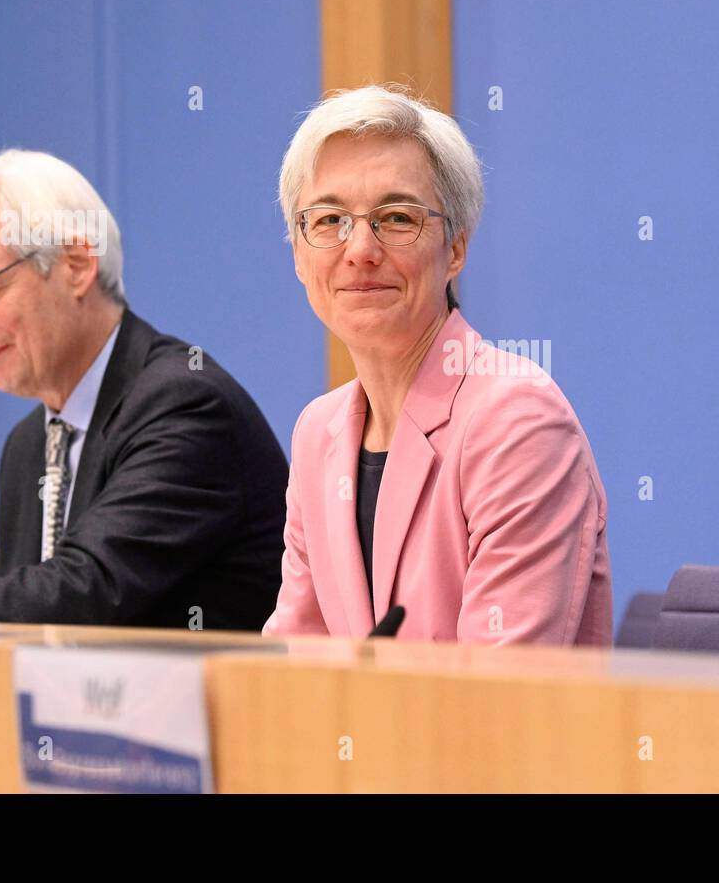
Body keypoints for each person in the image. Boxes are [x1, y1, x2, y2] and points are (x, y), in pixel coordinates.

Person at [262, 86, 612, 645]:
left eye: (396, 218)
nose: (360, 249)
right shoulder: (317, 434)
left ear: (455, 249)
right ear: (299, 256)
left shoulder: (515, 422)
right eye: (328, 221)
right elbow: (293, 665)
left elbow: (500, 693)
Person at [0, 149, 289, 628]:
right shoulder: (29, 446)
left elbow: (82, 592)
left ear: (77, 265)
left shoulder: (185, 406)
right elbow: (16, 622)